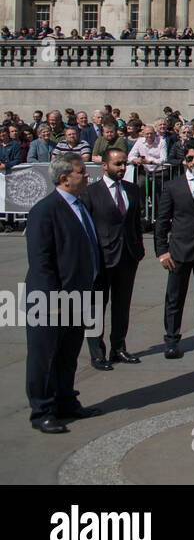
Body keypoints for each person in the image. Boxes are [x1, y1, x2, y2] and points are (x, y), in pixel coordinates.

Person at [25, 154, 103, 433]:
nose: (87, 176)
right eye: (81, 172)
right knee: (44, 356)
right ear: (64, 178)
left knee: (68, 354)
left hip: (79, 296)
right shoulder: (45, 211)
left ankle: (66, 400)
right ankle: (42, 410)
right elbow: (41, 260)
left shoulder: (80, 206)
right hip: (51, 300)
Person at [82, 148, 145, 368]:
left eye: (124, 164)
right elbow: (86, 228)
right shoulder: (91, 192)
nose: (122, 168)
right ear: (105, 165)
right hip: (102, 257)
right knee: (96, 306)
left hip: (128, 256)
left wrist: (138, 248)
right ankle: (97, 352)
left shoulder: (132, 190)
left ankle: (118, 347)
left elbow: (136, 222)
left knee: (122, 305)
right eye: (117, 164)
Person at [155, 141, 194, 359]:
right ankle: (171, 338)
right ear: (184, 161)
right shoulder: (173, 186)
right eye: (190, 159)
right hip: (179, 250)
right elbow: (161, 222)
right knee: (174, 296)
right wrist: (162, 251)